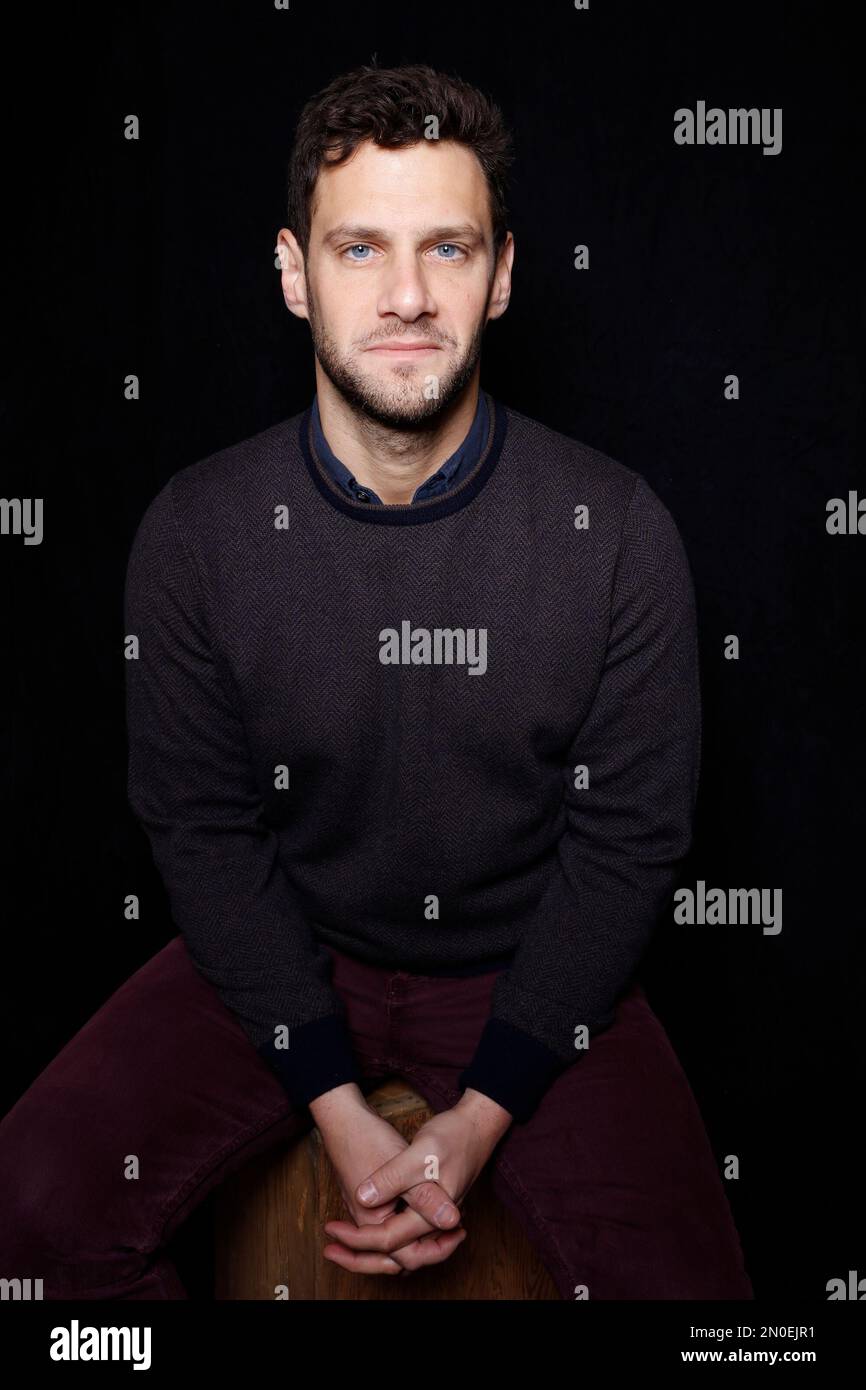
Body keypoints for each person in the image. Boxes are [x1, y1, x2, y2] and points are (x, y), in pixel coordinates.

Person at [0, 61, 753, 1300]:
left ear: (502, 274)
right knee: (29, 1223)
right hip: (291, 945)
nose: (406, 295)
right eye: (359, 250)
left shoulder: (616, 530)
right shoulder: (197, 532)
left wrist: (484, 1112)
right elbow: (201, 834)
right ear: (294, 273)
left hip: (532, 968)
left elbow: (625, 850)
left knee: (705, 1313)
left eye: (446, 248)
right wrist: (340, 1108)